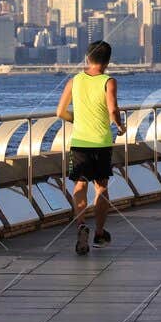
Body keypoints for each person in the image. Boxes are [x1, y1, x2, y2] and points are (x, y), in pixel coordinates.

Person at [56, 41, 124, 256]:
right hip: (101, 143)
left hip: (79, 142)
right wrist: (120, 127)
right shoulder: (108, 81)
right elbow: (113, 110)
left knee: (79, 185)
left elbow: (60, 112)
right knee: (101, 187)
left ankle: (81, 225)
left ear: (87, 58)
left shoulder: (74, 81)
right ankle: (99, 233)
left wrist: (77, 119)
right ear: (108, 60)